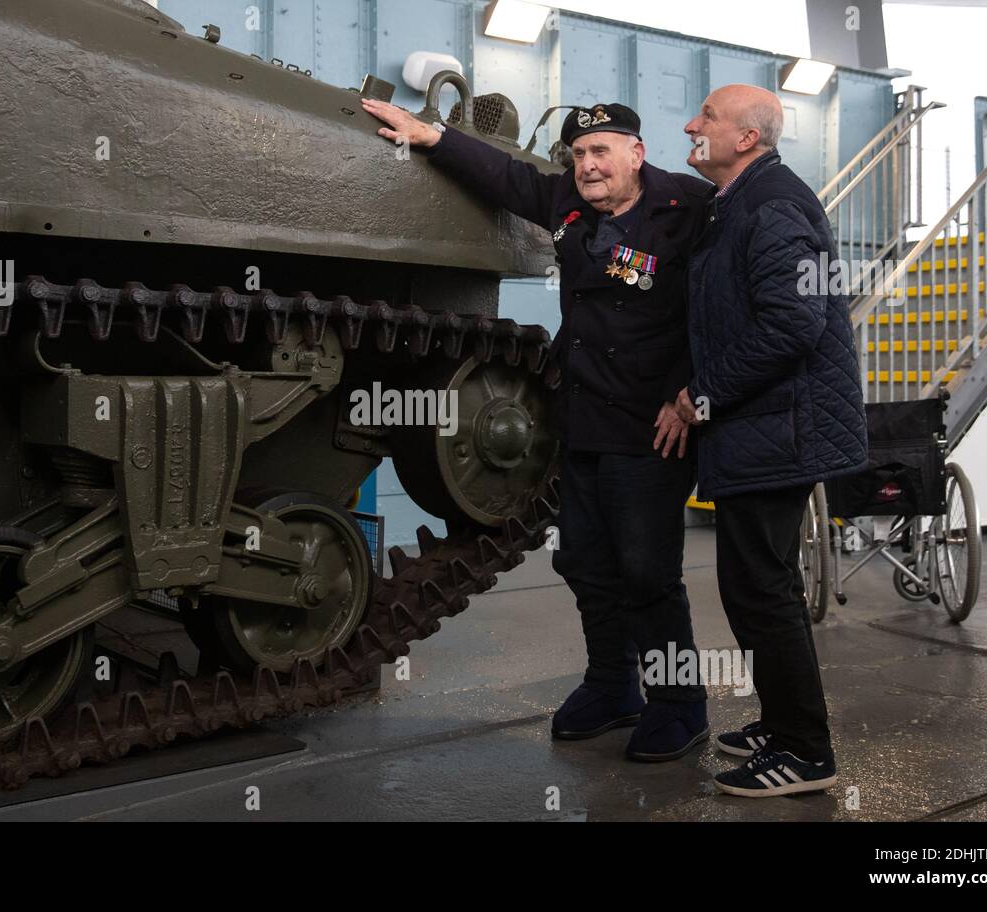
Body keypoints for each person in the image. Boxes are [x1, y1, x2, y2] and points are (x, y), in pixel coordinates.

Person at [362, 97, 712, 761]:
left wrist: (693, 393)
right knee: (584, 562)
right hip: (581, 420)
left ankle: (679, 704)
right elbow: (503, 176)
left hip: (653, 427)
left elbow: (723, 305)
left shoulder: (689, 209)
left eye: (600, 151)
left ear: (636, 153)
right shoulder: (567, 203)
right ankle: (613, 685)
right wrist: (430, 136)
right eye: (579, 154)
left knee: (647, 573)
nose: (587, 164)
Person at [678, 84, 868, 796]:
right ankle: (783, 720)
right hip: (763, 426)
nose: (693, 126)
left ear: (747, 139)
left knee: (760, 590)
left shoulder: (773, 205)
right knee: (760, 585)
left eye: (708, 118)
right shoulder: (737, 202)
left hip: (778, 428)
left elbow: (792, 324)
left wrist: (702, 396)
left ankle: (806, 752)